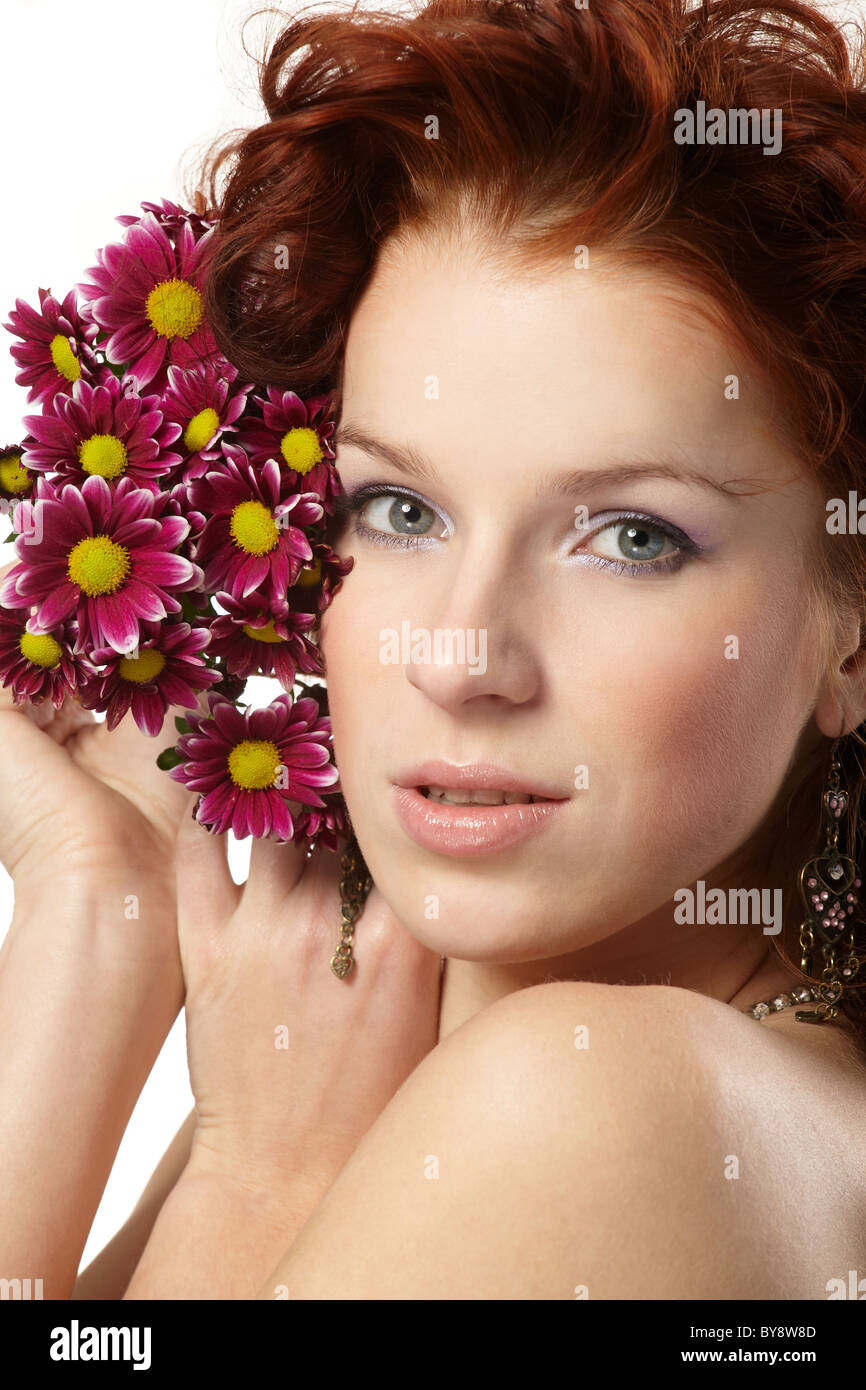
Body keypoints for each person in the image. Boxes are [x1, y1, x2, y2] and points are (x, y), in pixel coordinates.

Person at [3, 0, 866, 1300]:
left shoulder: (583, 1099)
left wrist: (260, 1187)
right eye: (397, 509)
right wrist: (97, 895)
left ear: (845, 633)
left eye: (630, 538)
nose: (459, 656)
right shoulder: (394, 1039)